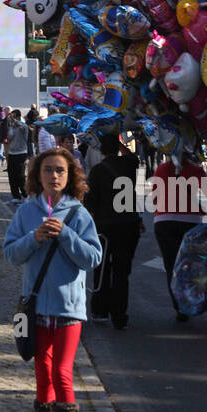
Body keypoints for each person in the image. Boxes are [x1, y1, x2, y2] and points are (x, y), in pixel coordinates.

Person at [3, 147, 102, 412]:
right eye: (48, 170)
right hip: (33, 307)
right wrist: (35, 237)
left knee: (62, 372)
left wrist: (66, 235)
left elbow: (93, 258)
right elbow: (11, 253)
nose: (54, 176)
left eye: (60, 170)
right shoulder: (27, 211)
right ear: (38, 174)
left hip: (68, 309)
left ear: (70, 175)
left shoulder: (79, 214)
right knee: (41, 372)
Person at [85, 133, 141, 328]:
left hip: (105, 225)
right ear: (118, 147)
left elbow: (90, 202)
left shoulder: (98, 170)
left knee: (102, 269)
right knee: (122, 271)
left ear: (100, 150)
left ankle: (100, 310)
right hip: (129, 224)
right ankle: (119, 314)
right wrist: (119, 143)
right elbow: (131, 155)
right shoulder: (130, 164)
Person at [151, 149, 207, 322]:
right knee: (189, 265)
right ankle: (188, 302)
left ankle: (179, 307)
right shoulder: (197, 170)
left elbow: (155, 199)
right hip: (191, 223)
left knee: (171, 266)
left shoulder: (161, 169)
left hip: (164, 221)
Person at [5, 109, 30, 199]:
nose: (13, 119)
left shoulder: (24, 126)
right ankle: (16, 197)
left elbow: (23, 129)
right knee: (12, 176)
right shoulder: (12, 126)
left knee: (20, 176)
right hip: (12, 153)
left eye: (14, 116)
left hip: (21, 153)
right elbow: (9, 138)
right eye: (12, 117)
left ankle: (25, 194)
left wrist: (16, 122)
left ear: (19, 116)